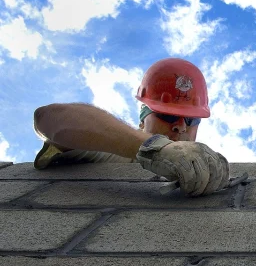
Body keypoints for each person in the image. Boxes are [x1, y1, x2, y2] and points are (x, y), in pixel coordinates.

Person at [33, 57, 229, 196]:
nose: (181, 127)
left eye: (191, 120)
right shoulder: (110, 152)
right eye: (167, 116)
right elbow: (47, 118)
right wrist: (155, 147)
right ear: (143, 120)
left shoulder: (207, 174)